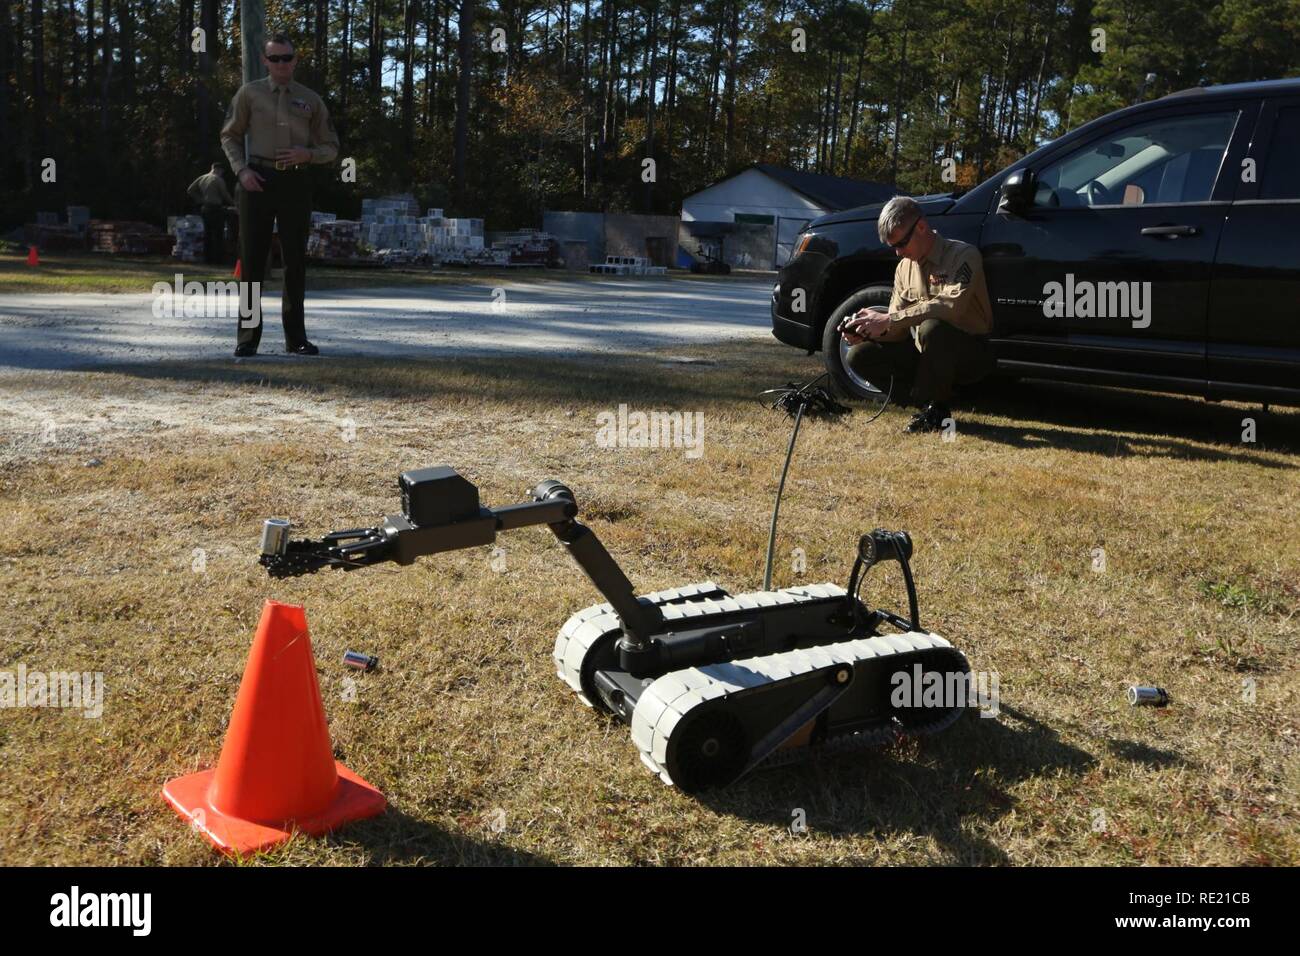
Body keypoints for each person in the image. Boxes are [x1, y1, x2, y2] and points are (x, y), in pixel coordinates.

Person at [220, 33, 339, 357]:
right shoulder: (250, 94)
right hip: (256, 179)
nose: (282, 64)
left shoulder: (310, 100)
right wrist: (242, 171)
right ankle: (247, 338)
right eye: (276, 59)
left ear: (295, 60)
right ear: (265, 61)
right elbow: (229, 135)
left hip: (295, 183)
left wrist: (309, 155)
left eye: (287, 58)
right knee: (252, 260)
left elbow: (331, 146)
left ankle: (296, 338)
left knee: (295, 261)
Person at [839, 196, 995, 433]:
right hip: (925, 354)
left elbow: (950, 307)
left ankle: (937, 408)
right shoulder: (904, 268)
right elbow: (897, 328)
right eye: (893, 247)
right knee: (859, 355)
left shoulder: (964, 255)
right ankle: (926, 406)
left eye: (901, 243)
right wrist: (869, 331)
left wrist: (889, 319)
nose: (898, 253)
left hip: (969, 352)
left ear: (921, 227)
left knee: (932, 327)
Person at [187, 163, 235, 264]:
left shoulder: (202, 178)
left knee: (207, 234)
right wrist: (234, 204)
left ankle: (207, 258)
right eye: (222, 171)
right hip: (216, 208)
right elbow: (225, 194)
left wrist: (200, 200)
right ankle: (218, 259)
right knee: (218, 234)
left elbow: (190, 190)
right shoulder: (218, 179)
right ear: (219, 170)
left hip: (205, 208)